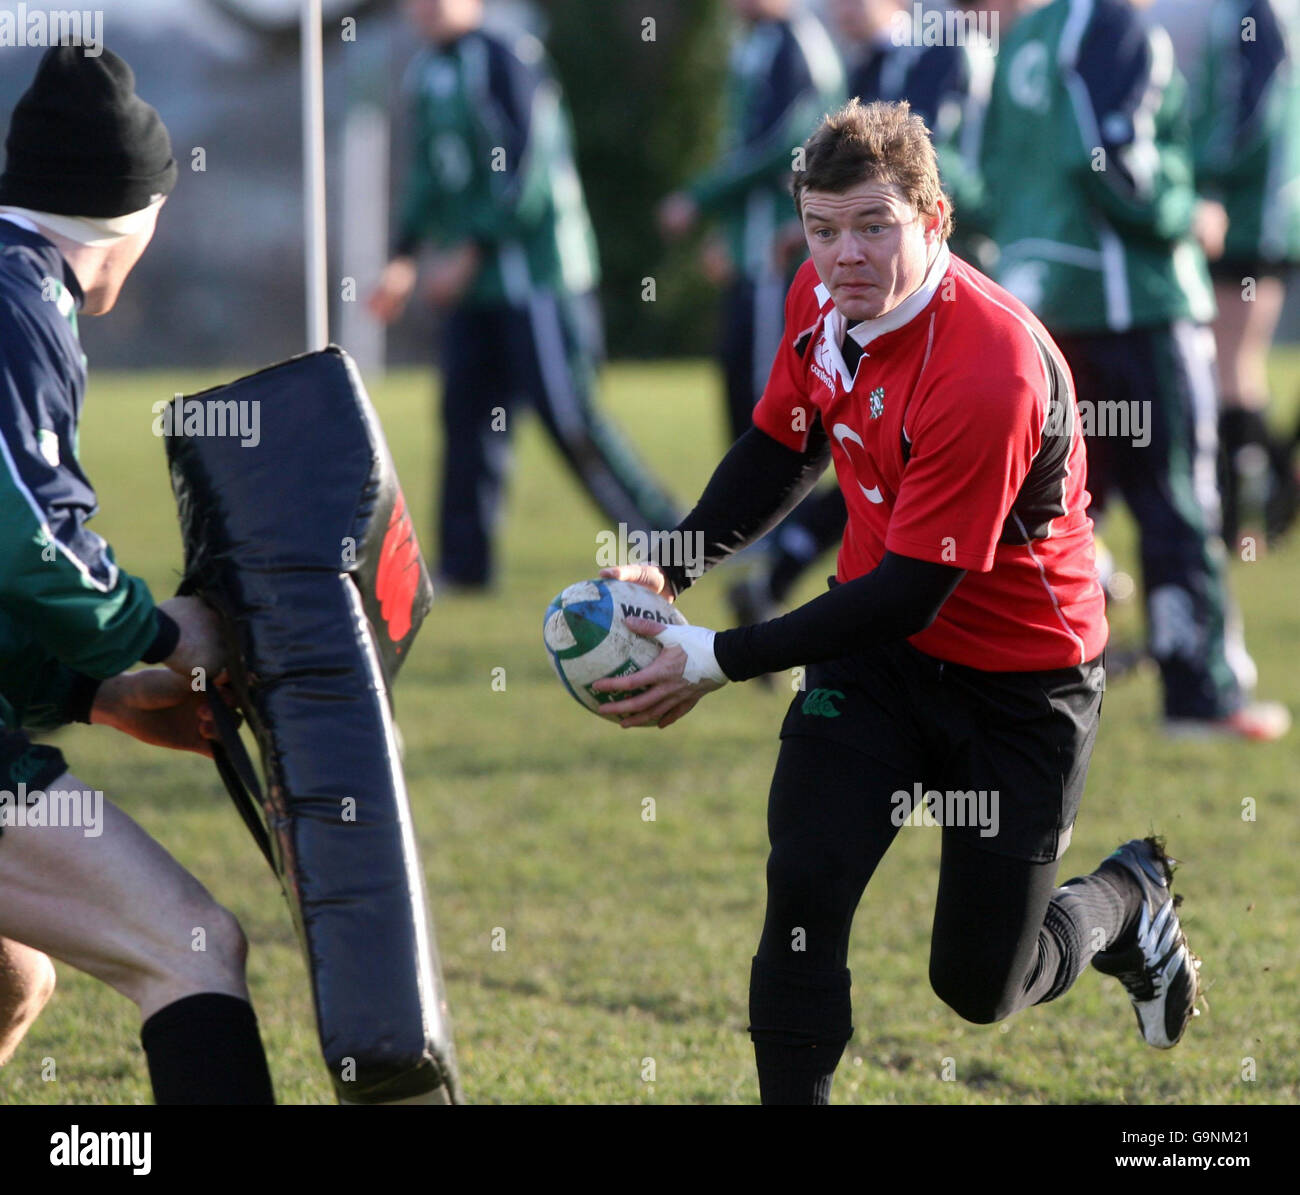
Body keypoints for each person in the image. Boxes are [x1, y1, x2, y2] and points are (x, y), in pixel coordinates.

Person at [594, 99, 1201, 1105]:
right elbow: (783, 445)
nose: (844, 256)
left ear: (936, 219)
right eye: (823, 229)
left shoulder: (989, 367)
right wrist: (671, 561)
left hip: (1020, 684)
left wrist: (713, 656)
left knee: (978, 985)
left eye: (875, 224)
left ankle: (1129, 896)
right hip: (876, 666)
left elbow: (911, 594)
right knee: (805, 881)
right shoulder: (820, 297)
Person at [0, 47, 274, 1104]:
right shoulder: (19, 299)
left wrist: (92, 695)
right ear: (136, 212)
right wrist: (155, 639)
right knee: (192, 944)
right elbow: (18, 534)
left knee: (12, 979)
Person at [949, 0, 1287, 740]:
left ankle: (1021, 688)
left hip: (1044, 302)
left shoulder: (1028, 36)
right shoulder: (1113, 25)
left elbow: (990, 177)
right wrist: (1185, 212)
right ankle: (1200, 693)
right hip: (1133, 300)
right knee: (1177, 498)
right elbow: (1114, 157)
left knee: (1057, 507)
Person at [369, 0, 680, 590]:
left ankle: (668, 540)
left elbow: (525, 168)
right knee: (466, 418)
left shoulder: (507, 57)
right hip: (476, 287)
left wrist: (468, 250)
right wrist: (404, 257)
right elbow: (428, 176)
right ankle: (465, 568)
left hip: (537, 277)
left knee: (568, 417)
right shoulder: (425, 73)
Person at [729, 0, 984, 631]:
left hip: (957, 271)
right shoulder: (870, 62)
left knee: (953, 450)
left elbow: (930, 177)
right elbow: (780, 443)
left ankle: (1082, 583)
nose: (841, 6)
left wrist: (724, 659)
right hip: (897, 280)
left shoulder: (948, 47)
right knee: (883, 445)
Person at [657, 0, 844, 446]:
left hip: (778, 252)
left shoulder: (799, 42)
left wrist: (699, 199)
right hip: (749, 248)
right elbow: (741, 144)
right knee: (737, 383)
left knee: (772, 396)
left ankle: (781, 515)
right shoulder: (753, 42)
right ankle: (742, 513)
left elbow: (784, 146)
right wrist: (726, 229)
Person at [1186, 0, 1300, 548]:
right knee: (1235, 364)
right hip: (1254, 216)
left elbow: (1252, 111)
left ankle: (1239, 517)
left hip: (1253, 220)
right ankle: (1263, 498)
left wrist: (1204, 172)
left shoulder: (1258, 11)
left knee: (1228, 364)